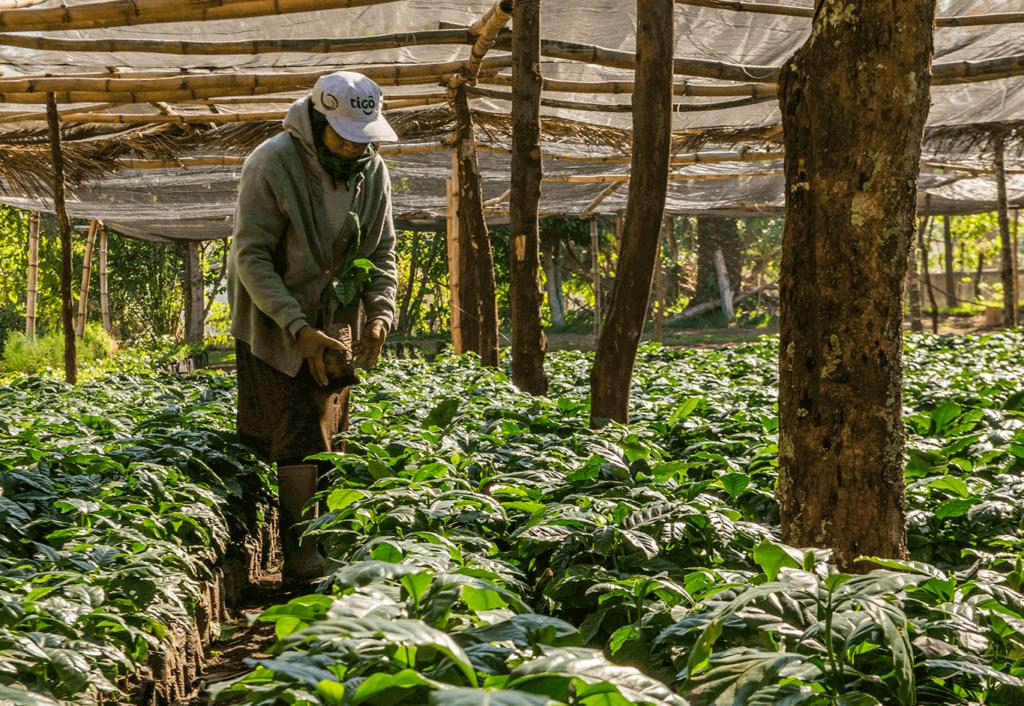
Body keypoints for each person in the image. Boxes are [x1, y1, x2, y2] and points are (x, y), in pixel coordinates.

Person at [227, 71, 399, 584]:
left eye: (362, 138)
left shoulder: (374, 172)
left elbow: (381, 252)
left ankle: (324, 545)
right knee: (294, 433)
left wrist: (380, 315)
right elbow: (251, 256)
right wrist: (297, 327)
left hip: (337, 326)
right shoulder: (271, 162)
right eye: (344, 136)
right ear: (318, 120)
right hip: (276, 324)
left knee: (329, 430)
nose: (353, 148)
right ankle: (300, 559)